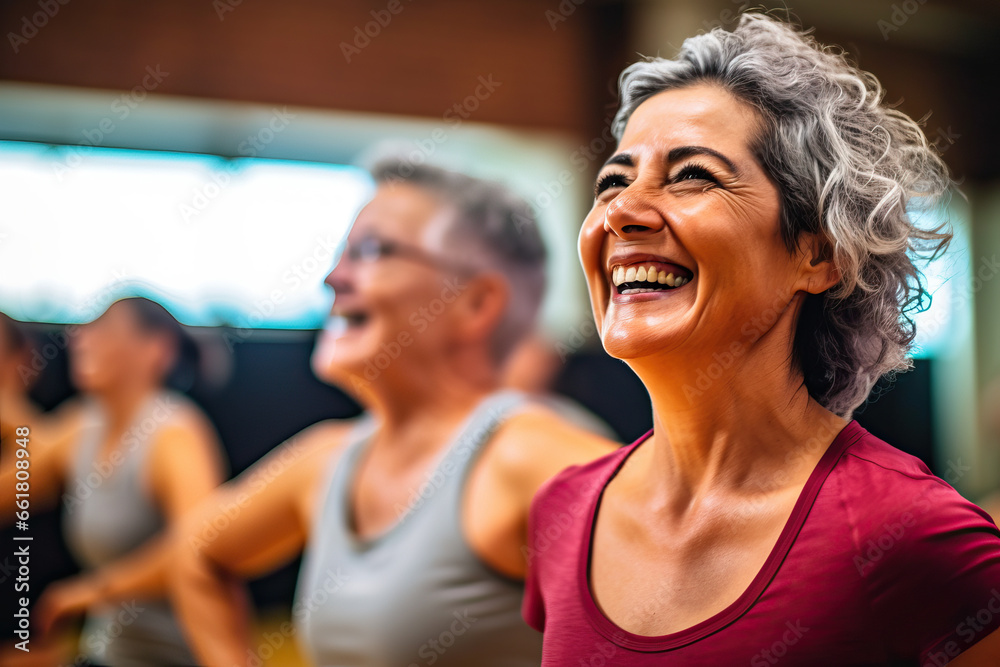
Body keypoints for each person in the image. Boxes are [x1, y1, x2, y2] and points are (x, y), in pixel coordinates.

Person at [523, 13, 1000, 666]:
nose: (622, 212)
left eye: (692, 175)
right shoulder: (562, 509)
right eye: (613, 180)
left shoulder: (911, 535)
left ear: (818, 255)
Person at [170, 161, 617, 666]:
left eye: (372, 251)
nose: (332, 278)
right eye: (341, 255)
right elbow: (197, 554)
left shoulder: (525, 454)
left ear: (475, 302)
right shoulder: (328, 458)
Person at [0, 297, 227, 666]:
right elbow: (16, 479)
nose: (79, 338)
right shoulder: (82, 426)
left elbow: (200, 546)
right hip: (108, 657)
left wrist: (94, 590)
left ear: (157, 348)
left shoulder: (174, 432)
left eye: (102, 328)